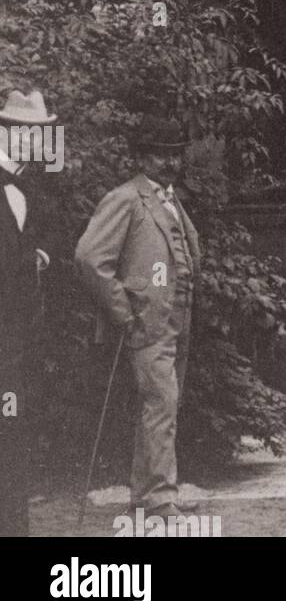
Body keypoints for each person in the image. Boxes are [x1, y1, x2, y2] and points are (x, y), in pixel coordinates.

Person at [75, 113, 200, 517]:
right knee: (160, 403)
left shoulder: (171, 200)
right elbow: (91, 258)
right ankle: (160, 500)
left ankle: (147, 497)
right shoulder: (126, 198)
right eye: (160, 156)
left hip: (176, 320)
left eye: (175, 155)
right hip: (145, 321)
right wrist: (122, 311)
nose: (170, 164)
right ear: (141, 159)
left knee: (164, 407)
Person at [0, 89, 55, 537]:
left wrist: (37, 254)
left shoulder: (27, 188)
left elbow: (34, 240)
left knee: (13, 441)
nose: (40, 144)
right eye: (33, 134)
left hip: (17, 345)